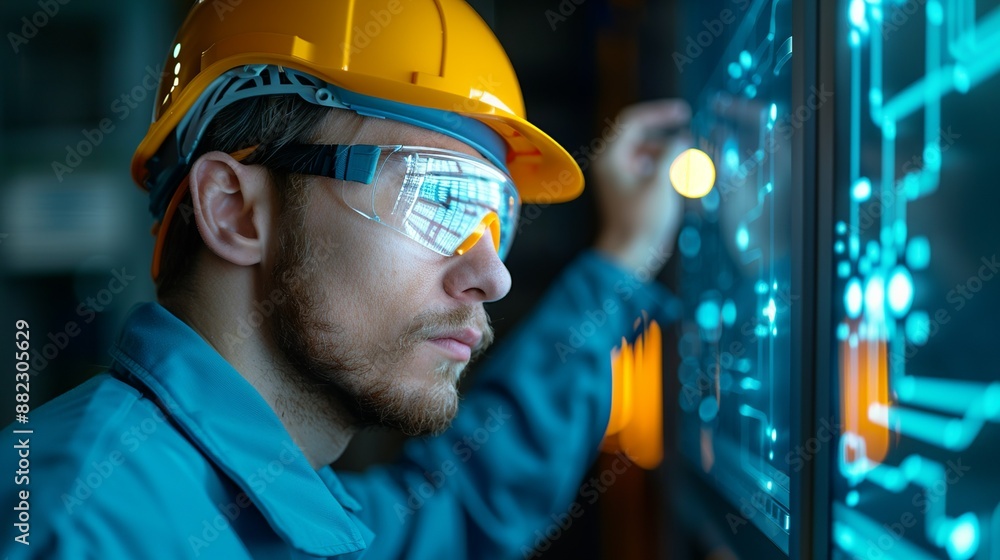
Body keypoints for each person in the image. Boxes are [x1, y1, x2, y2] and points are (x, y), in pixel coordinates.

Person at [3, 0, 690, 558]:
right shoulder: (85, 528)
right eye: (439, 198)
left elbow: (463, 507)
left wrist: (623, 257)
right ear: (234, 211)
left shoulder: (274, 512)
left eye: (497, 219)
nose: (493, 276)